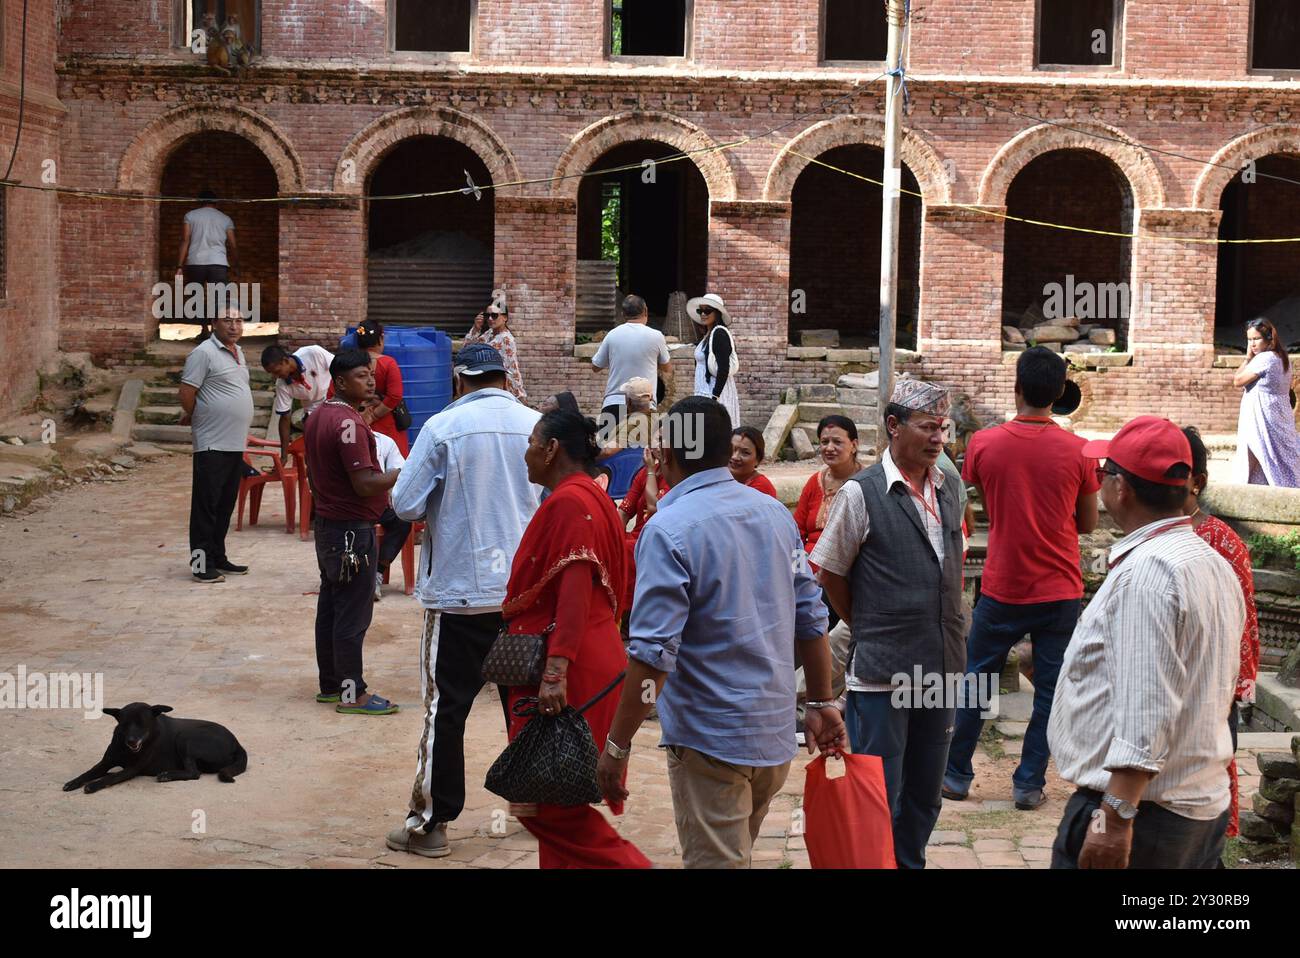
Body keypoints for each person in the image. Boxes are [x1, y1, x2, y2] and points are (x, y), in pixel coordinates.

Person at [596, 397, 847, 869]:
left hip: (711, 739)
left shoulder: (668, 528)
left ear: (666, 454)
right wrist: (819, 702)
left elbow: (652, 654)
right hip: (771, 736)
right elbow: (811, 618)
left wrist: (617, 743)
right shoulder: (773, 515)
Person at [1048, 416, 1245, 869]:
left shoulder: (1148, 576)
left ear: (1122, 488)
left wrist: (1114, 819)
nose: (1099, 482)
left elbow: (1146, 706)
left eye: (1104, 473)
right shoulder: (1210, 561)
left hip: (1144, 815)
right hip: (1195, 803)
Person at [385, 343, 541, 859]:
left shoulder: (442, 428)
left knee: (445, 710)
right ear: (503, 376)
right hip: (521, 596)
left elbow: (405, 504)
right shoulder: (537, 426)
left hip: (459, 595)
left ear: (461, 380)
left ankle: (431, 823)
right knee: (525, 703)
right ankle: (536, 805)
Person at [812, 380, 968, 869]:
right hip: (882, 674)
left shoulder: (950, 486)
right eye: (926, 427)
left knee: (925, 795)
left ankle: (910, 864)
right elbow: (831, 571)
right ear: (894, 426)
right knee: (881, 791)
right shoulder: (861, 493)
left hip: (939, 668)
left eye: (941, 427)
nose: (938, 438)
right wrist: (866, 622)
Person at [942, 347, 1100, 811]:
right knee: (1050, 690)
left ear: (1017, 387)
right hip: (1060, 589)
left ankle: (955, 775)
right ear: (1060, 393)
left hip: (1002, 586)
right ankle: (1028, 783)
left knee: (975, 682)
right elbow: (1087, 524)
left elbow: (988, 503)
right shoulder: (1078, 451)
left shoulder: (985, 445)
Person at [499, 410, 653, 869]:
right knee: (556, 794)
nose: (525, 451)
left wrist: (555, 671)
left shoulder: (570, 501)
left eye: (531, 442)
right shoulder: (593, 496)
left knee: (543, 805)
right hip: (593, 654)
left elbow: (575, 585)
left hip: (571, 664)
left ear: (550, 449)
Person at [304, 349, 401, 716]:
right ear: (341, 381)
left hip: (329, 525)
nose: (372, 381)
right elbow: (365, 484)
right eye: (362, 375)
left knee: (331, 607)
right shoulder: (348, 423)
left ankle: (331, 684)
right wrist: (404, 472)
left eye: (371, 374)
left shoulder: (317, 415)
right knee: (352, 615)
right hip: (351, 531)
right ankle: (352, 693)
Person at [1182, 425, 1259, 840]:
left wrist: (1237, 683)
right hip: (1164, 682)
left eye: (1178, 474)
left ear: (1199, 482)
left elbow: (1245, 619)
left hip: (1212, 684)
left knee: (1207, 784)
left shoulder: (1224, 542)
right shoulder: (1148, 535)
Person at [178, 309, 254, 583]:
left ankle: (218, 557)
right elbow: (187, 392)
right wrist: (201, 418)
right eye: (227, 321)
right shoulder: (203, 352)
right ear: (214, 324)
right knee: (206, 506)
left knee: (224, 504)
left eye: (238, 321)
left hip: (234, 443)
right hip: (212, 442)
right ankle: (200, 564)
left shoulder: (238, 352)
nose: (234, 326)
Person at [1233, 317, 1300, 487]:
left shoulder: (1265, 358)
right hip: (1277, 411)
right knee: (1271, 455)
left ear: (1269, 338)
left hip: (1263, 415)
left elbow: (1237, 380)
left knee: (1264, 454)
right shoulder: (1281, 356)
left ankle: (1267, 490)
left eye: (1256, 339)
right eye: (1249, 340)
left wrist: (1247, 359)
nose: (1252, 344)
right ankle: (1255, 488)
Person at [592, 294, 672, 425]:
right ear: (645, 311)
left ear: (623, 314)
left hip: (614, 402)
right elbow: (667, 368)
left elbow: (595, 367)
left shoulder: (612, 335)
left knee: (608, 444)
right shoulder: (656, 336)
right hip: (644, 405)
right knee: (642, 445)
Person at [174, 188, 237, 341]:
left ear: (200, 202)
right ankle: (216, 331)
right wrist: (236, 265)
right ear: (215, 203)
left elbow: (185, 240)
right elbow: (233, 244)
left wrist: (179, 266)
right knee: (218, 298)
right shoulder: (225, 219)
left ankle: (204, 330)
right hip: (219, 263)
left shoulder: (190, 216)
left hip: (196, 262)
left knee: (197, 297)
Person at [262, 343, 335, 452]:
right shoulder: (282, 385)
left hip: (335, 399)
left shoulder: (313, 353)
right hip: (313, 411)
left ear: (285, 361)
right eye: (271, 373)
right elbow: (285, 418)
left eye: (276, 371)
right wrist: (284, 454)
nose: (275, 376)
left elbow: (341, 369)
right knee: (313, 449)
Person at [354, 320, 408, 457]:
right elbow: (395, 396)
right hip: (385, 425)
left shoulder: (348, 362)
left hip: (355, 422)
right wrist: (373, 415)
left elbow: (333, 393)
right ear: (381, 339)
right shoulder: (388, 363)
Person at [687, 293, 740, 428]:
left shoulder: (719, 333)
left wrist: (715, 396)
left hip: (715, 392)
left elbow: (723, 368)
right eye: (700, 311)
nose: (703, 314)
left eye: (707, 310)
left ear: (717, 313)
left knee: (716, 432)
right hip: (704, 390)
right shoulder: (707, 335)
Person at [371, 429, 411, 602]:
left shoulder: (383, 441)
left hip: (376, 503)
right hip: (348, 504)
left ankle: (377, 573)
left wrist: (390, 492)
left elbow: (400, 470)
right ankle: (355, 577)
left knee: (402, 519)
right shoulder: (341, 435)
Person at [474, 305, 527, 402]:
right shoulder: (489, 333)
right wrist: (476, 329)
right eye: (487, 315)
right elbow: (469, 349)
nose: (490, 319)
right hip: (486, 385)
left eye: (494, 315)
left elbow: (512, 369)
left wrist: (518, 394)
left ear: (505, 318)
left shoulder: (506, 339)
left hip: (500, 390)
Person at [729, 426, 779, 498]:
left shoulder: (760, 488)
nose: (735, 457)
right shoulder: (721, 479)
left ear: (758, 459)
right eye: (731, 449)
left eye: (745, 453)